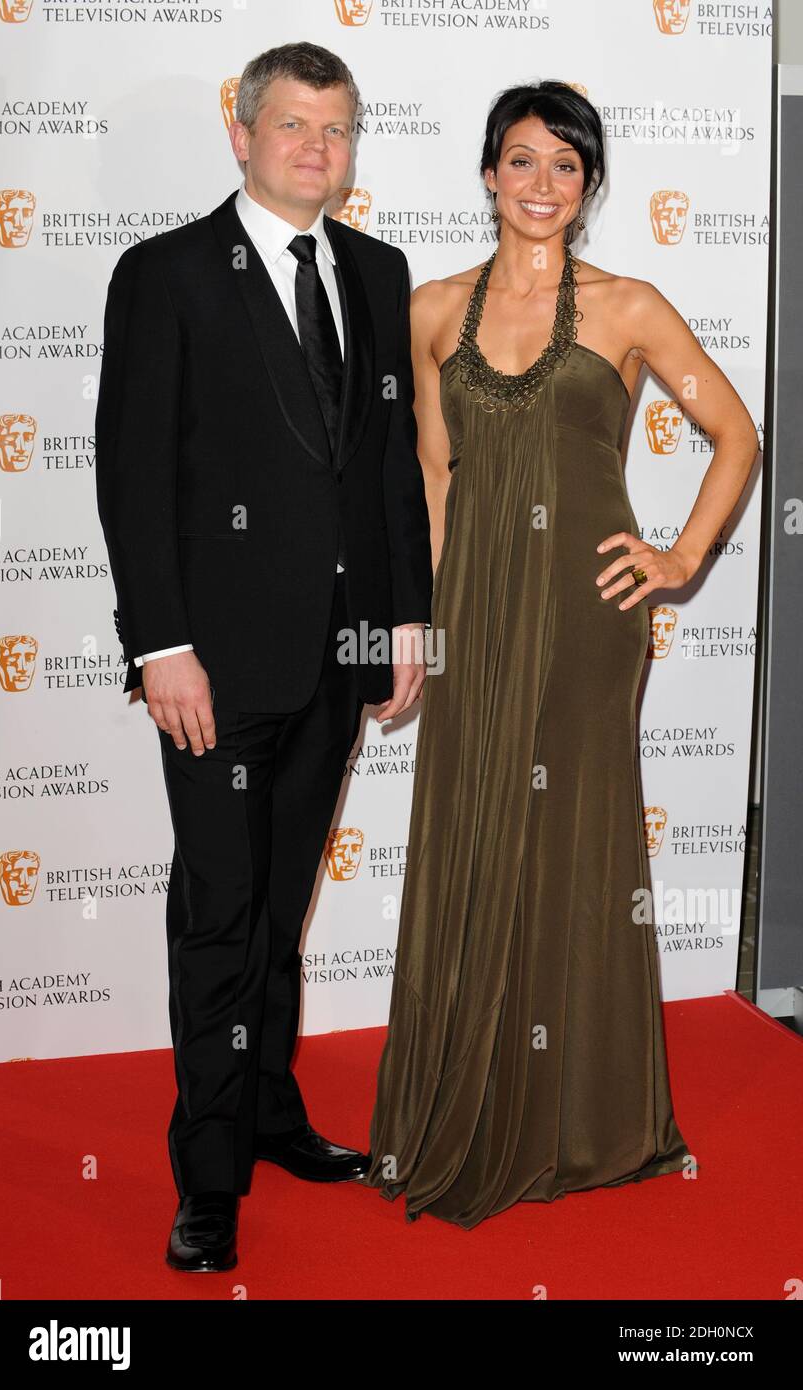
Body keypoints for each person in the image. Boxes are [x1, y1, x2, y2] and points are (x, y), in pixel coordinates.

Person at [361, 81, 759, 1229]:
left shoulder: (629, 305)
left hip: (588, 613)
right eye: (520, 161)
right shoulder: (432, 308)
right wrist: (425, 619)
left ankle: (580, 1113)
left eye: (564, 166)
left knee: (572, 834)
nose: (540, 185)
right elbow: (433, 476)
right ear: (487, 172)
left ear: (587, 185)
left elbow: (734, 432)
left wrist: (679, 553)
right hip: (475, 609)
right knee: (472, 828)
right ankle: (470, 1098)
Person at [94, 42, 432, 1270]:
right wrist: (159, 647)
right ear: (241, 135)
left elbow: (388, 468)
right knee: (221, 917)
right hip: (215, 671)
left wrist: (405, 622)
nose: (315, 149)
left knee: (282, 910)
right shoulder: (168, 273)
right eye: (291, 126)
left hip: (338, 658)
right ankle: (208, 1173)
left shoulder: (379, 271)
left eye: (335, 130)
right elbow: (131, 479)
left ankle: (273, 1112)